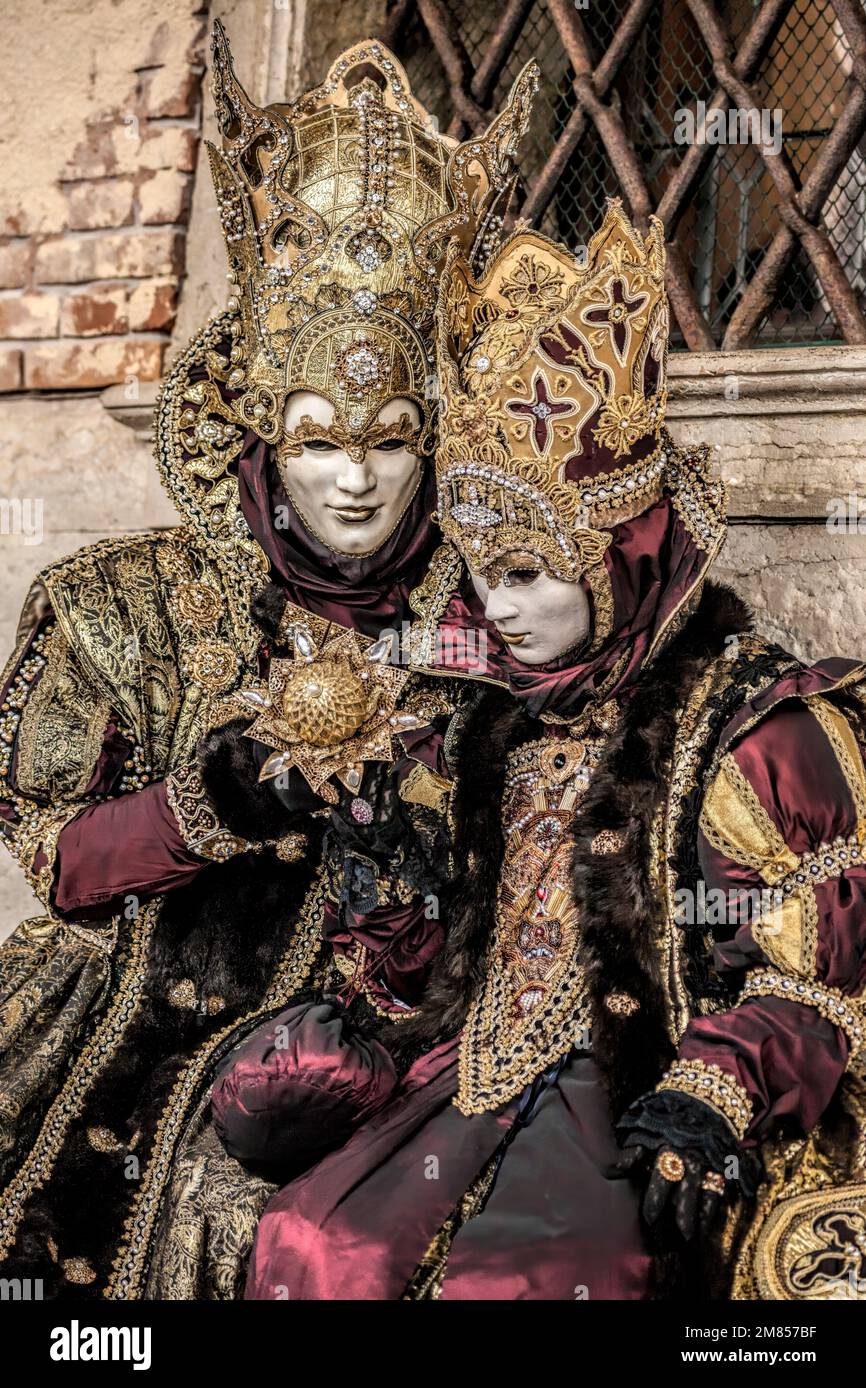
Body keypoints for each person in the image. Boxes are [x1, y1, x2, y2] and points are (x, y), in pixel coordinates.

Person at [224, 200, 866, 1301]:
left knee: (526, 1279)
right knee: (309, 1245)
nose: (494, 609)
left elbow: (824, 970)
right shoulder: (482, 716)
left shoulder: (749, 726)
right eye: (480, 572)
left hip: (643, 1073)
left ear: (619, 558)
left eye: (524, 573)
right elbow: (423, 967)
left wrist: (708, 1089)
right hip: (469, 1067)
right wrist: (381, 853)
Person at [0, 22, 536, 1298]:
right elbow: (55, 857)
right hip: (111, 1011)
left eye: (393, 436)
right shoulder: (122, 606)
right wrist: (218, 801)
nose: (353, 477)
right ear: (252, 429)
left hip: (387, 1052)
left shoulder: (506, 623)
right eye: (315, 435)